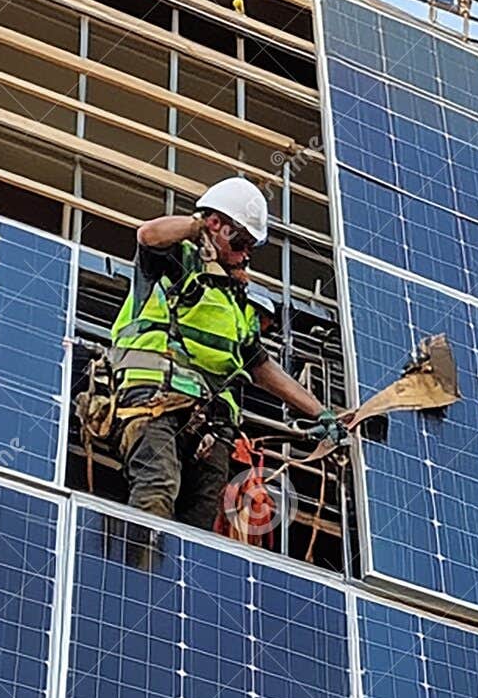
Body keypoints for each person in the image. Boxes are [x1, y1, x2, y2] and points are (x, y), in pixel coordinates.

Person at [99, 177, 347, 529]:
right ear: (217, 225)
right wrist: (198, 227)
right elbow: (147, 235)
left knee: (200, 522)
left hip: (209, 425)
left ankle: (170, 577)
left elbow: (261, 367)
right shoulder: (178, 259)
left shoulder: (235, 304)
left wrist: (322, 415)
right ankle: (140, 577)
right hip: (154, 396)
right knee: (157, 488)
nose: (246, 255)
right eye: (242, 242)